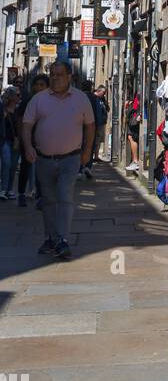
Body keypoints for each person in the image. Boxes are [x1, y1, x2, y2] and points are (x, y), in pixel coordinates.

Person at [20, 61, 95, 261]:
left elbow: (90, 125)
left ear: (69, 76)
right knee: (48, 200)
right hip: (43, 158)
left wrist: (87, 151)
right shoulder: (39, 99)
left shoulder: (80, 99)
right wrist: (27, 146)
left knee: (64, 197)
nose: (55, 78)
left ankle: (62, 239)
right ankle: (50, 238)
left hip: (71, 158)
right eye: (52, 74)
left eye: (59, 75)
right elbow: (27, 125)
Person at [16, 74, 48, 206]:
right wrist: (19, 138)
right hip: (28, 139)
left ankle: (40, 196)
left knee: (42, 169)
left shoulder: (50, 102)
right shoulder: (27, 101)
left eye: (42, 85)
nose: (39, 87)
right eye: (37, 85)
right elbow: (20, 121)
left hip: (43, 140)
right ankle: (21, 194)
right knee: (25, 166)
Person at [0, 87, 21, 199]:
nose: (19, 97)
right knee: (6, 163)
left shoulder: (19, 110)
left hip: (16, 141)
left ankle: (9, 189)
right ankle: (3, 189)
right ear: (11, 96)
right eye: (17, 95)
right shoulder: (3, 109)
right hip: (5, 140)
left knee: (13, 166)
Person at [91, 85, 109, 164]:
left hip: (101, 122)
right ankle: (91, 156)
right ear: (99, 91)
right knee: (94, 139)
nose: (104, 94)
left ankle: (96, 156)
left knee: (98, 140)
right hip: (94, 122)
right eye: (103, 92)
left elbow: (107, 108)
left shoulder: (102, 99)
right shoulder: (93, 98)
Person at [125, 89, 141, 171]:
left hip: (136, 118)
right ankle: (135, 161)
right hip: (133, 117)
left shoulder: (141, 90)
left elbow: (144, 102)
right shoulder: (137, 90)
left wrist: (140, 114)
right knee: (130, 137)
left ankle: (135, 161)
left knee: (132, 137)